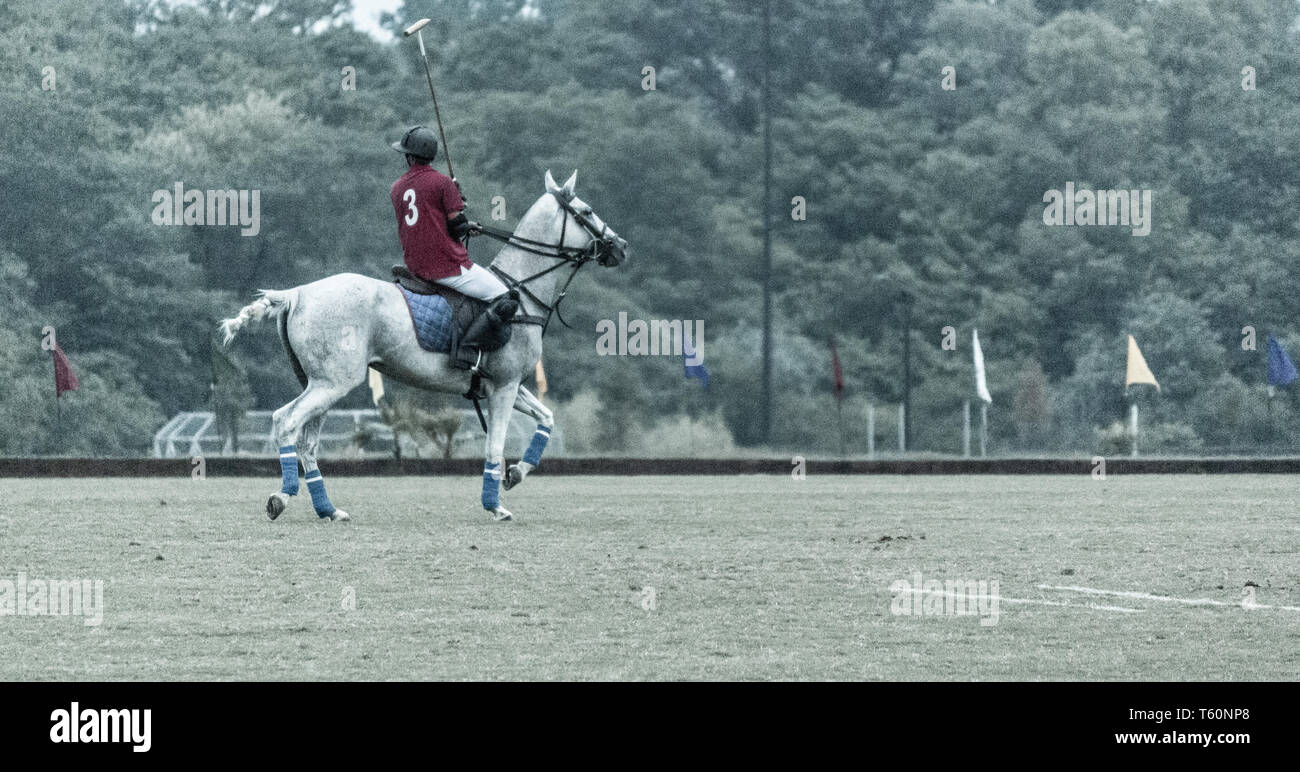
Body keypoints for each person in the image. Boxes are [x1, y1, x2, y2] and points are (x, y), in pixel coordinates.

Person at [390, 126, 510, 302]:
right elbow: (457, 227)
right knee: (505, 297)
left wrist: (457, 206)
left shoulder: (396, 188)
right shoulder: (443, 183)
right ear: (431, 156)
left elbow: (427, 219)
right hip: (445, 266)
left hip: (414, 266)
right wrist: (463, 219)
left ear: (409, 156)